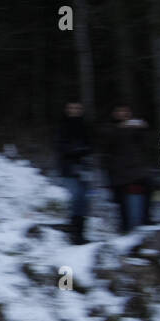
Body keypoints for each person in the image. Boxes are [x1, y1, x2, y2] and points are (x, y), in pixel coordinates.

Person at [101, 104, 152, 233]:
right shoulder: (109, 128)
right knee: (123, 203)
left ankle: (146, 220)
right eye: (120, 111)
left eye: (126, 111)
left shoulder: (136, 128)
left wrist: (143, 129)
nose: (123, 114)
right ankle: (126, 230)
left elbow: (147, 145)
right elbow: (106, 145)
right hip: (119, 172)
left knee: (150, 188)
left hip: (138, 170)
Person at [56, 101, 93, 245]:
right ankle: (74, 232)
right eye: (71, 108)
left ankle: (80, 233)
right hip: (69, 169)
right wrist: (76, 150)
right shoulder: (63, 126)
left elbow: (90, 146)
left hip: (84, 168)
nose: (74, 111)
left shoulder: (85, 126)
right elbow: (61, 147)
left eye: (77, 108)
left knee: (84, 200)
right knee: (76, 196)